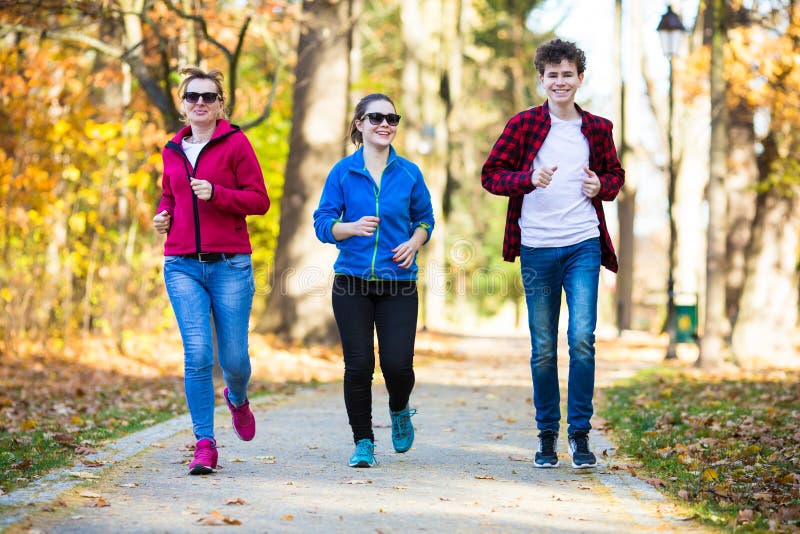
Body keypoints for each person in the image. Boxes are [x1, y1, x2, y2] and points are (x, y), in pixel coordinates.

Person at [481, 39, 624, 469]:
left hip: (583, 243)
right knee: (543, 346)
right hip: (537, 248)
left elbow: (615, 176)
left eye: (567, 75)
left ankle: (579, 434)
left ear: (580, 79)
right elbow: (491, 175)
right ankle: (547, 435)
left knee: (581, 339)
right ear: (541, 80)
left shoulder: (597, 128)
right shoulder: (524, 124)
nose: (560, 82)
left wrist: (602, 186)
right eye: (552, 75)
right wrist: (527, 179)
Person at [153, 67, 270, 475]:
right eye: (192, 96)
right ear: (183, 105)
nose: (200, 102)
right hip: (181, 264)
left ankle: (237, 398)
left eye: (208, 96)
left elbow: (259, 200)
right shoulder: (171, 150)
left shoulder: (236, 143)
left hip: (230, 265)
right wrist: (163, 215)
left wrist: (217, 194)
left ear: (221, 104)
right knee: (198, 354)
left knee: (234, 360)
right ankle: (205, 443)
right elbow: (168, 196)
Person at [313, 93, 434, 468]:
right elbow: (322, 223)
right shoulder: (343, 172)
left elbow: (425, 220)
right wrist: (349, 228)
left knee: (398, 366)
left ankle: (399, 408)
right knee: (359, 366)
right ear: (359, 124)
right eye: (376, 117)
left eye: (392, 119)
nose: (385, 124)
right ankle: (363, 441)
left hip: (399, 283)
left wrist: (414, 242)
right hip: (351, 282)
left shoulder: (410, 173)